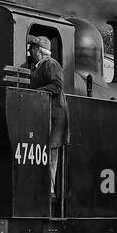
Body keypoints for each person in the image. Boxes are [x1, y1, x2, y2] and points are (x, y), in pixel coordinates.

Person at [26, 34, 68, 199]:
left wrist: (36, 93)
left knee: (50, 151)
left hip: (54, 114)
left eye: (32, 49)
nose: (30, 52)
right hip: (45, 112)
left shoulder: (51, 65)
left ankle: (49, 190)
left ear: (39, 51)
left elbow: (57, 86)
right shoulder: (39, 66)